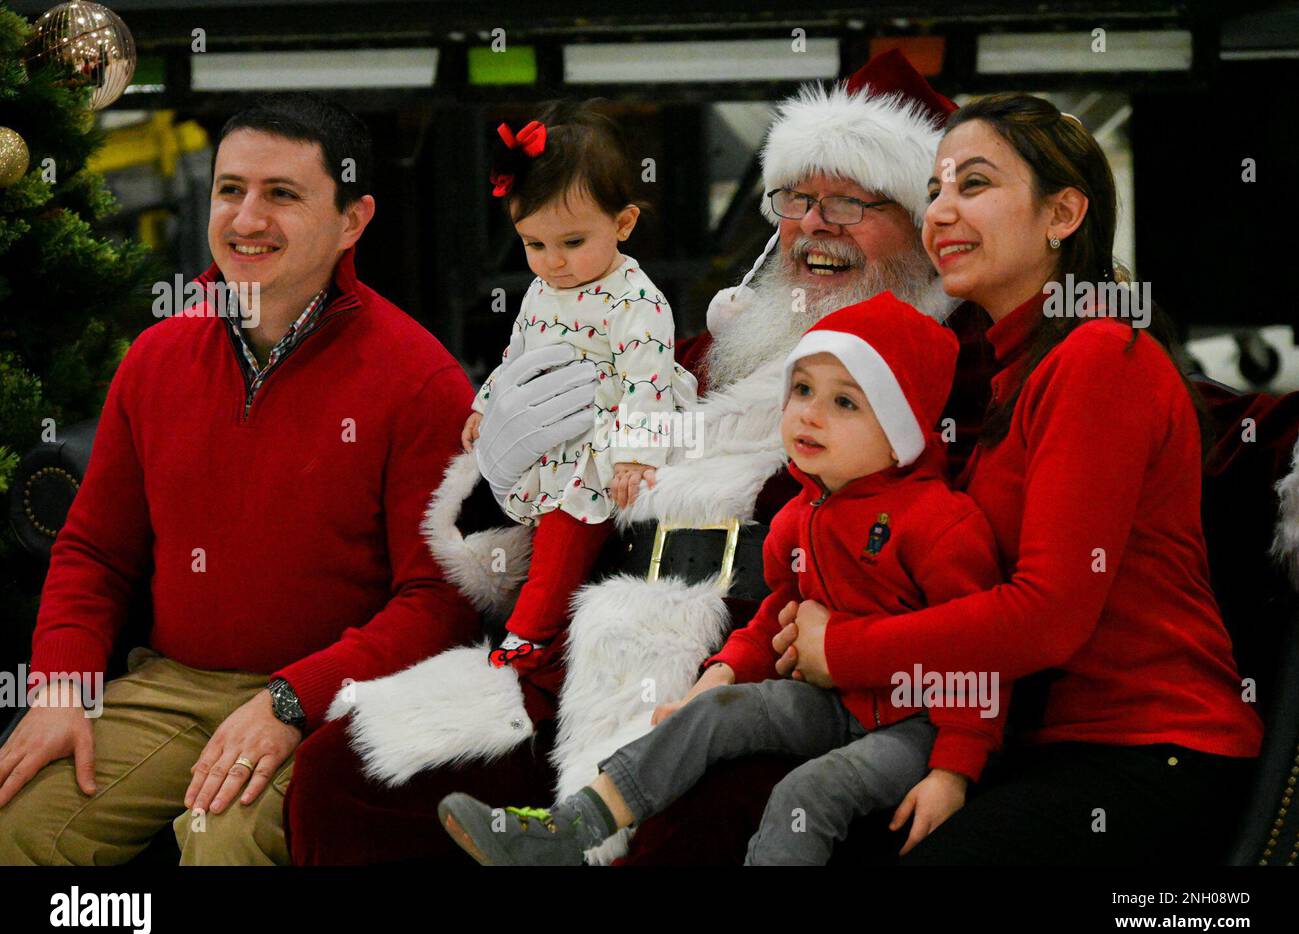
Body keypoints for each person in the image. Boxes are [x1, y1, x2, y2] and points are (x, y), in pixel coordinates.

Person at [770, 92, 1262, 865]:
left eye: (973, 184)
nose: (939, 212)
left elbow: (1048, 616)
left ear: (1063, 214)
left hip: (1142, 750)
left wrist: (850, 648)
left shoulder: (1098, 358)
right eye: (934, 190)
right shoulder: (1013, 372)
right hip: (1033, 745)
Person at [0, 92, 478, 865]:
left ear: (352, 221)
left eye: (281, 195)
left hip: (336, 699)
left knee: (222, 840)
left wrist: (291, 699)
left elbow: (441, 601)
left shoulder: (418, 380)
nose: (246, 219)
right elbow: (94, 552)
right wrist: (60, 688)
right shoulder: (157, 358)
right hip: (169, 688)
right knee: (14, 819)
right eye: (231, 189)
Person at [438, 292, 1009, 865]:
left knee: (803, 794)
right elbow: (772, 618)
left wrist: (953, 771)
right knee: (713, 713)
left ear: (900, 432)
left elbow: (978, 653)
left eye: (846, 403)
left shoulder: (941, 525)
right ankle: (571, 830)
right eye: (803, 389)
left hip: (918, 725)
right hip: (835, 703)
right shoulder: (797, 517)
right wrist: (718, 678)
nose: (809, 413)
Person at [462, 101, 695, 673]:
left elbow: (647, 378)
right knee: (533, 521)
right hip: (555, 428)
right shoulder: (540, 292)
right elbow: (517, 357)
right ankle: (527, 615)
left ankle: (532, 630)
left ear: (623, 224)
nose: (553, 262)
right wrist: (485, 405)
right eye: (534, 244)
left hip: (613, 431)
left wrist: (635, 457)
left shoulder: (636, 299)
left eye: (570, 242)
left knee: (566, 523)